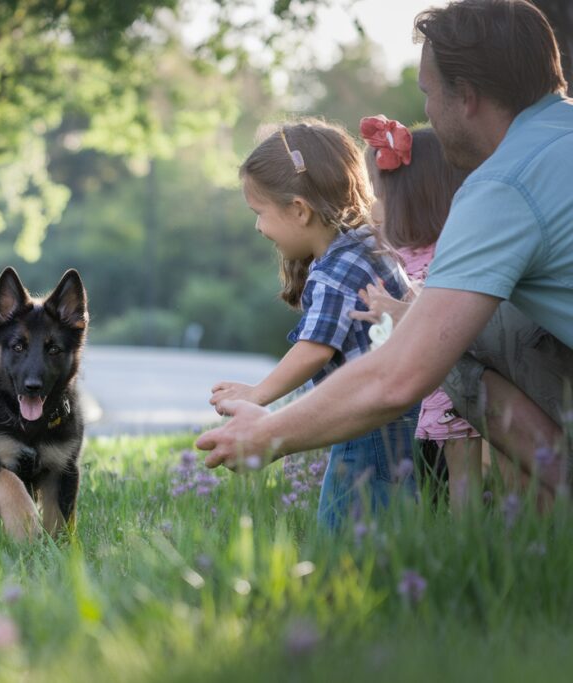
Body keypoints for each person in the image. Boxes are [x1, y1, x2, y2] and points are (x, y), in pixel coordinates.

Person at [196, 0, 572, 503]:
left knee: (448, 341)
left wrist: (267, 432)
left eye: (428, 93)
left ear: (466, 96)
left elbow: (401, 374)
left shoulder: (503, 186)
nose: (426, 112)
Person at [208, 118, 418, 528]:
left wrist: (258, 394)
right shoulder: (368, 243)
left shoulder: (336, 271)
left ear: (299, 210)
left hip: (368, 426)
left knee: (345, 531)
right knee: (390, 526)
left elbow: (315, 348)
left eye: (260, 213)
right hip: (400, 416)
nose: (258, 226)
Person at [349, 119, 482, 511]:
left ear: (413, 199)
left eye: (380, 196)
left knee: (463, 480)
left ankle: (471, 539)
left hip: (453, 385)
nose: (372, 207)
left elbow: (448, 317)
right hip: (421, 387)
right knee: (430, 485)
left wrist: (397, 311)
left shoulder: (449, 252)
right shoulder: (400, 252)